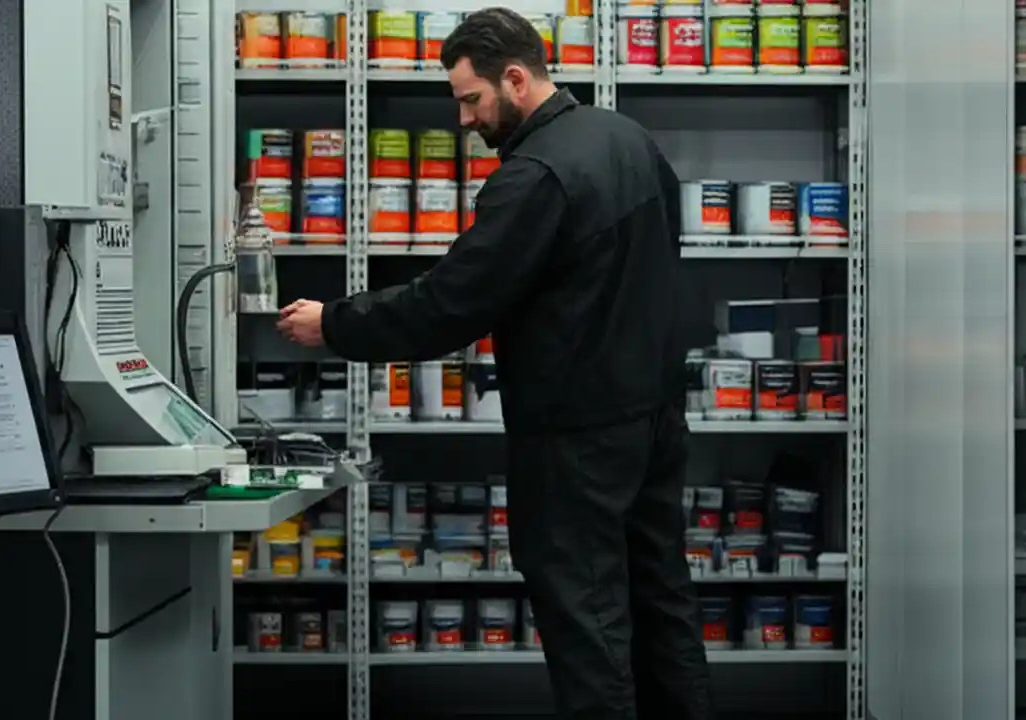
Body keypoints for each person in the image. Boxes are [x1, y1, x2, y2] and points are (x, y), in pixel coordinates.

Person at [276, 7, 712, 719]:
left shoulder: (536, 174)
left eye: (471, 99)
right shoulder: (624, 137)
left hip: (577, 438)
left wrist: (335, 323)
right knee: (661, 597)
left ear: (515, 79)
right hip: (655, 416)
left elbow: (452, 301)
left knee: (587, 621)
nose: (465, 121)